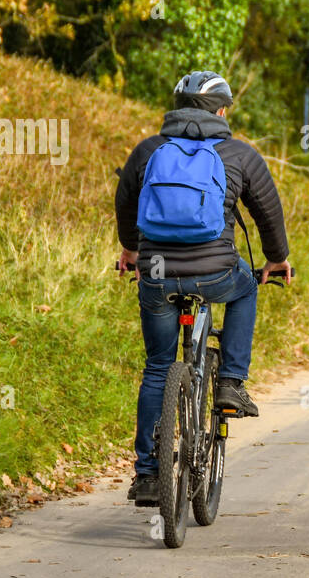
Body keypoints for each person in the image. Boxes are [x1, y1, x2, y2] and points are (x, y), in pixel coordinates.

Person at [114, 71, 292, 505]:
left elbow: (125, 202)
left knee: (158, 367)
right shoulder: (239, 154)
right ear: (223, 111)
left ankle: (149, 476)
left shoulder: (149, 150)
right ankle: (230, 382)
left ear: (176, 107)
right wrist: (276, 259)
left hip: (156, 274)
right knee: (246, 287)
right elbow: (267, 212)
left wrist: (132, 251)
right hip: (216, 273)